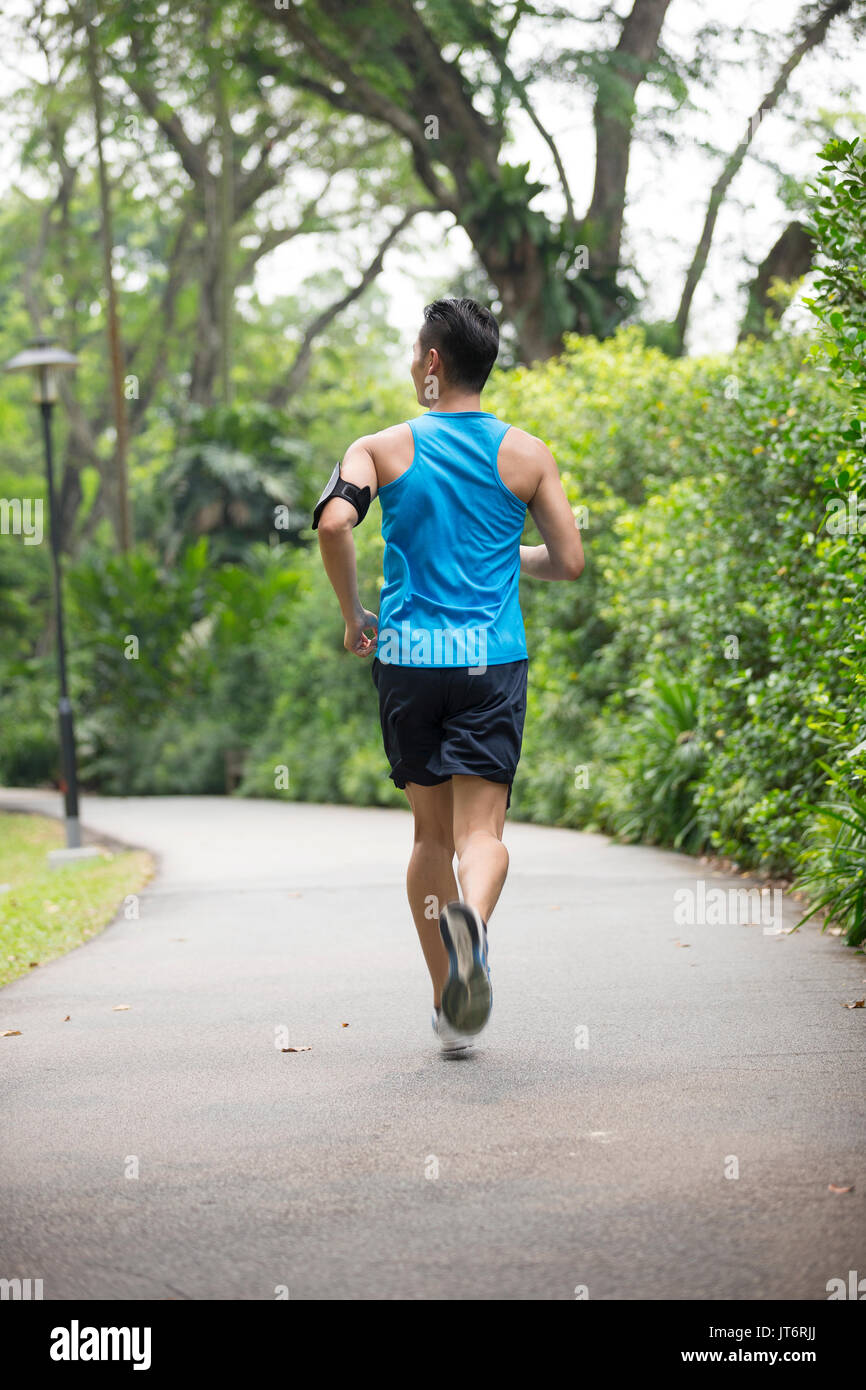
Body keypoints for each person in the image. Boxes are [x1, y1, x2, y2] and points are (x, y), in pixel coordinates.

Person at [315, 297, 584, 1053]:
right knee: (482, 831)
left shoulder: (381, 448)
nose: (410, 362)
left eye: (413, 351)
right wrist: (507, 557)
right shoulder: (527, 454)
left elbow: (336, 522)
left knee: (429, 836)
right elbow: (567, 562)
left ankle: (448, 1003)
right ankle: (477, 923)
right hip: (490, 659)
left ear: (433, 364)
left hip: (408, 663)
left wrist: (354, 612)